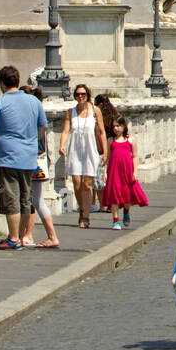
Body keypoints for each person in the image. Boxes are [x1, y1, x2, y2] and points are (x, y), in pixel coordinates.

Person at [0, 65, 49, 248]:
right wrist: (33, 142)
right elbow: (43, 127)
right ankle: (20, 237)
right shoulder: (34, 102)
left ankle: (13, 238)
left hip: (8, 155)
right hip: (29, 157)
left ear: (2, 83)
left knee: (10, 196)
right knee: (25, 198)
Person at [18, 85, 60, 249]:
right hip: (40, 160)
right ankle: (28, 234)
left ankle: (50, 235)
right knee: (35, 200)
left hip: (35, 161)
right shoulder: (37, 113)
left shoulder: (31, 116)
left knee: (34, 200)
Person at [58, 82, 105, 228]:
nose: (80, 96)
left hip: (90, 149)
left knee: (87, 183)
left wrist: (104, 152)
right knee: (77, 183)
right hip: (76, 149)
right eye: (78, 94)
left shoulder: (95, 111)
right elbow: (66, 131)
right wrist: (62, 145)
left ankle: (86, 215)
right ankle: (82, 208)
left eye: (83, 94)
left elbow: (102, 132)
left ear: (88, 95)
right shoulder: (70, 112)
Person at [103, 117, 149, 229]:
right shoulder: (110, 140)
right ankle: (115, 220)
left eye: (118, 126)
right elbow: (107, 157)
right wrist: (105, 172)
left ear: (124, 126)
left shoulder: (131, 140)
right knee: (114, 195)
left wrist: (135, 172)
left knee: (127, 195)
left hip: (126, 171)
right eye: (114, 126)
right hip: (114, 171)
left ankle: (126, 211)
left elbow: (135, 156)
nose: (116, 128)